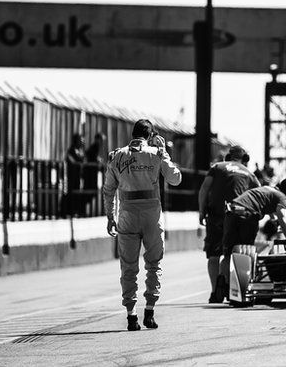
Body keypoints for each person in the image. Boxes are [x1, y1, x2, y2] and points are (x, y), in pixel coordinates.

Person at [103, 119, 182, 331]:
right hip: (151, 215)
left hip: (127, 214)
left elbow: (108, 190)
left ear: (133, 134)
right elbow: (175, 179)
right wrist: (164, 153)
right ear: (149, 135)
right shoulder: (155, 153)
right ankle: (149, 312)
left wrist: (110, 217)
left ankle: (131, 316)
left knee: (128, 266)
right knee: (154, 263)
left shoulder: (116, 155)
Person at [198, 145, 259, 303]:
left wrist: (201, 211)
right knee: (232, 253)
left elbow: (204, 189)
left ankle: (214, 291)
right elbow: (259, 194)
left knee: (213, 255)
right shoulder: (249, 173)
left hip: (216, 216)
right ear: (244, 159)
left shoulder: (217, 167)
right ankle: (232, 289)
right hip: (238, 217)